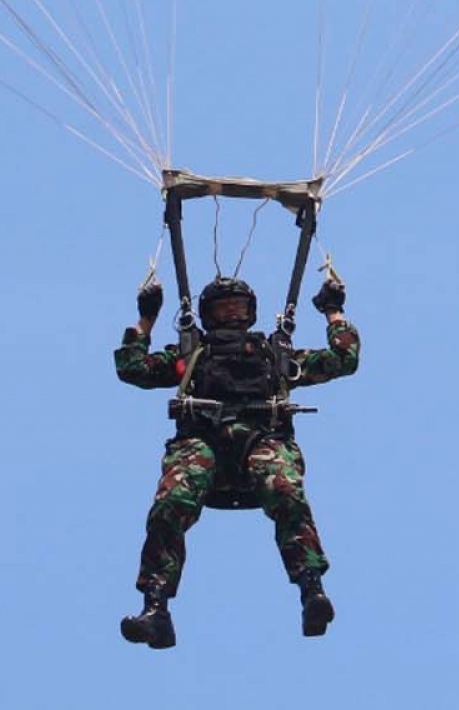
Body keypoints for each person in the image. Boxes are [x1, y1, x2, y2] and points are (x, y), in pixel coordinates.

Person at [115, 271, 359, 646]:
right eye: (222, 308)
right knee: (170, 503)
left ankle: (312, 590)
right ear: (208, 315)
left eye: (238, 307)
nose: (231, 315)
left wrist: (333, 312)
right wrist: (145, 320)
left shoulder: (272, 356)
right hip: (202, 443)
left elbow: (344, 358)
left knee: (285, 491)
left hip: (261, 439)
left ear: (251, 313)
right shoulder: (190, 356)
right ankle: (156, 606)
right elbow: (132, 369)